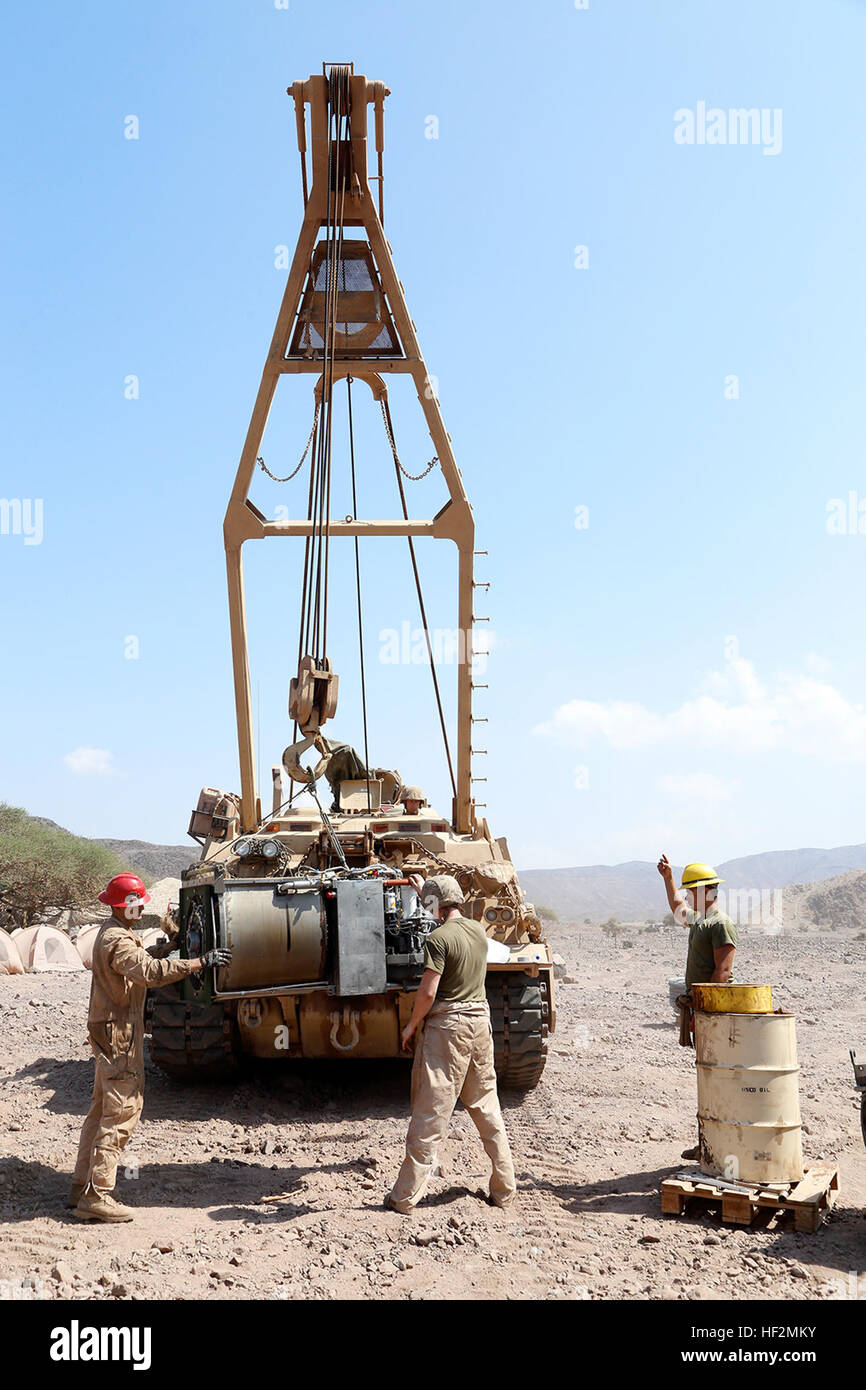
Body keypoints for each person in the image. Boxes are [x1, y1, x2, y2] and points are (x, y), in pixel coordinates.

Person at [70, 872, 230, 1223]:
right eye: (138, 903)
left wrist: (170, 948)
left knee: (100, 1109)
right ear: (127, 906)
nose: (142, 909)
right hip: (120, 1033)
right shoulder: (118, 939)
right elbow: (149, 971)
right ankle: (98, 1196)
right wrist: (199, 963)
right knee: (122, 1111)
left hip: (108, 1028)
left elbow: (140, 959)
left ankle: (81, 1185)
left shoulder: (114, 933)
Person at [386, 873, 516, 1215]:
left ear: (435, 906)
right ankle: (504, 1188)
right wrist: (425, 892)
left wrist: (411, 1026)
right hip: (479, 1025)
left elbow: (428, 992)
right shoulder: (477, 930)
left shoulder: (438, 940)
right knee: (487, 1107)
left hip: (449, 1029)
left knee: (430, 1111)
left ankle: (404, 1197)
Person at [657, 855, 738, 1159]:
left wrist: (705, 1012)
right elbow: (678, 909)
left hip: (713, 1015)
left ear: (706, 891)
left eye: (692, 892)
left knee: (717, 1078)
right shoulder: (701, 920)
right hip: (703, 1013)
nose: (689, 897)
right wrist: (668, 878)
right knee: (708, 1078)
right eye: (688, 892)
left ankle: (720, 1147)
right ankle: (708, 1144)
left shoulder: (721, 924)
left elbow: (723, 972)